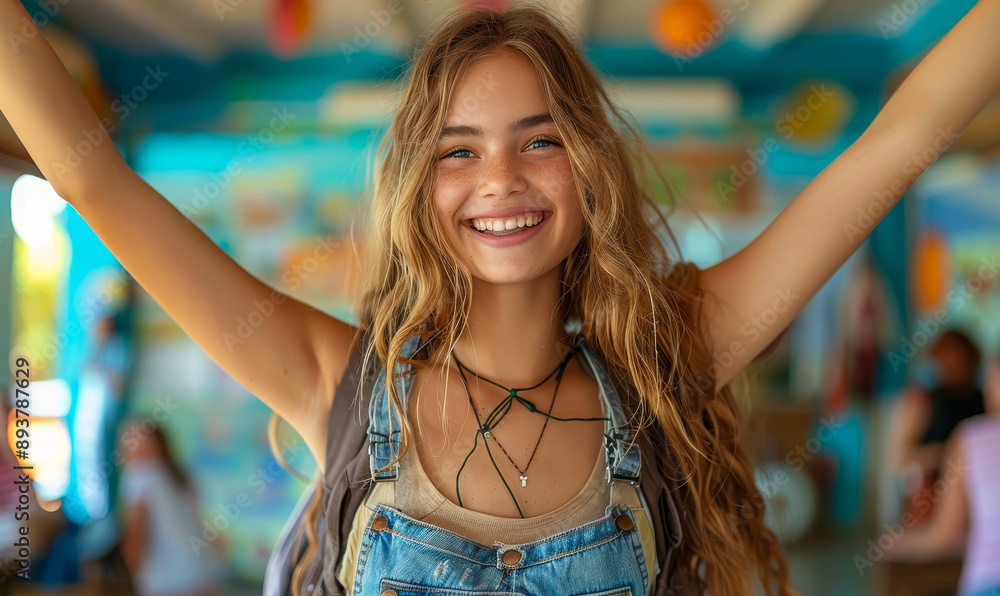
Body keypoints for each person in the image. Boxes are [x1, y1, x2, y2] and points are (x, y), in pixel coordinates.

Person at [3, 1, 1000, 594]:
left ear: (590, 167)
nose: (500, 178)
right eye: (458, 150)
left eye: (540, 138)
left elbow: (895, 143)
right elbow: (93, 179)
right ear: (416, 186)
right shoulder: (328, 376)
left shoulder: (667, 358)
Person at [885, 348, 1000, 596]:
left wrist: (899, 543)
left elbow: (944, 535)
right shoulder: (923, 399)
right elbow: (900, 459)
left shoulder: (971, 435)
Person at [888, 330, 985, 523]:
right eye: (946, 358)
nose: (952, 365)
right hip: (931, 498)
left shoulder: (984, 400)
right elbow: (899, 460)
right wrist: (951, 454)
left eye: (959, 359)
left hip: (975, 497)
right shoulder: (923, 401)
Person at [116, 419, 219, 596]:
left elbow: (137, 531)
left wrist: (132, 571)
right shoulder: (182, 474)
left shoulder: (140, 475)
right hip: (201, 571)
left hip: (165, 580)